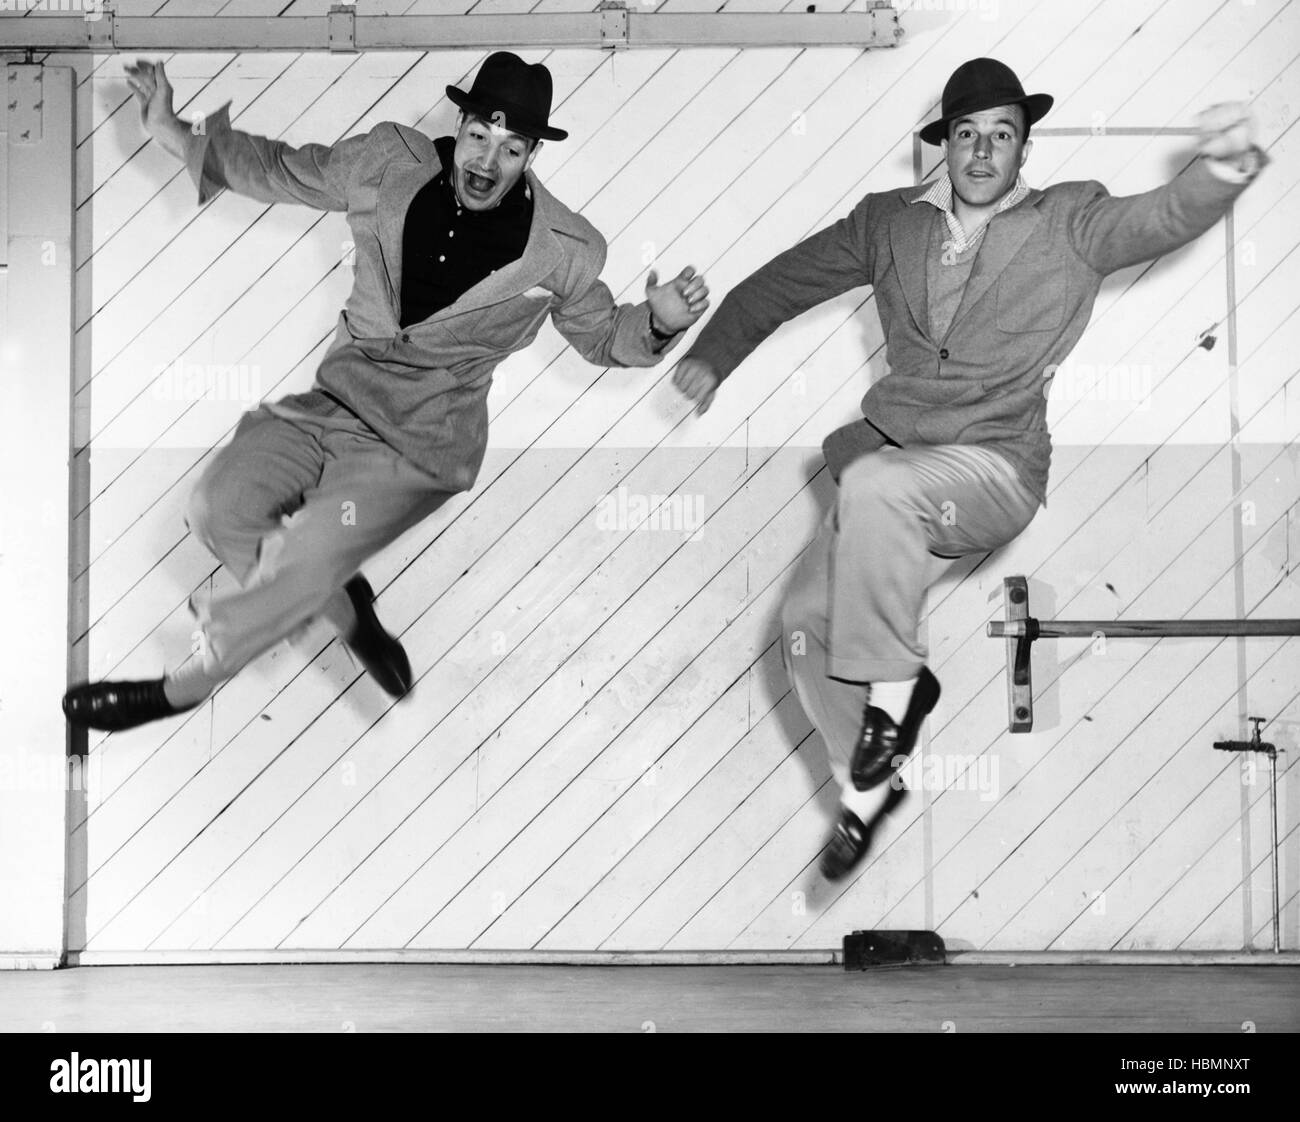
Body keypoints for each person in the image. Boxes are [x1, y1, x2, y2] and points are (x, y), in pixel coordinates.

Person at [672, 58, 1266, 880]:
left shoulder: (1070, 220)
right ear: (941, 146)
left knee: (877, 487)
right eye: (966, 136)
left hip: (991, 469)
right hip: (893, 467)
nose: (983, 153)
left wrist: (1225, 168)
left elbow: (1161, 217)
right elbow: (781, 283)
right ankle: (866, 789)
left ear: (1024, 149)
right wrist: (714, 353)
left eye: (1002, 137)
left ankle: (894, 700)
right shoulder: (887, 224)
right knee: (805, 628)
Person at [64, 51, 710, 732]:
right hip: (336, 400)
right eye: (479, 138)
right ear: (459, 127)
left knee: (308, 550)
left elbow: (605, 335)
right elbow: (280, 168)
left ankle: (186, 685)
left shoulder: (566, 249)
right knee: (216, 506)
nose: (488, 162)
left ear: (531, 157)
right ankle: (344, 606)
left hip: (420, 445)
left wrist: (661, 322)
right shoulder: (387, 163)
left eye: (512, 149)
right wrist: (171, 130)